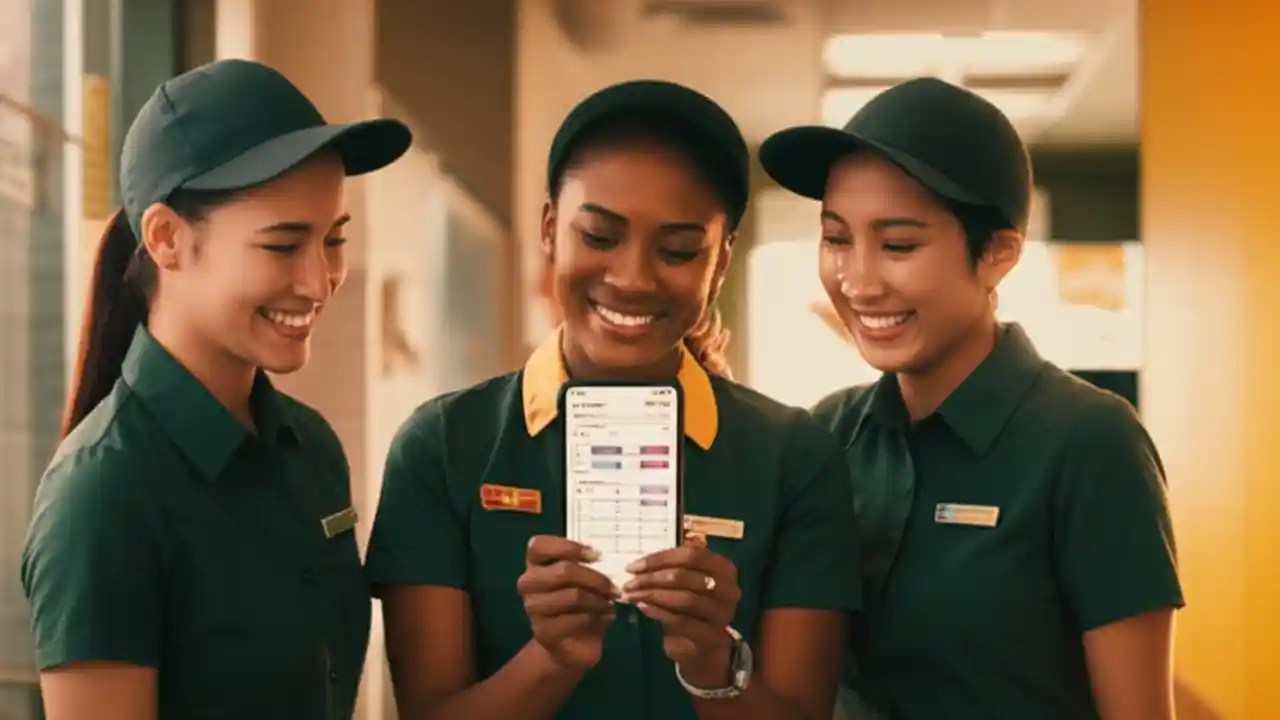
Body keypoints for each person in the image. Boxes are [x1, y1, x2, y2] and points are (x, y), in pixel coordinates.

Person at [364, 79, 861, 720]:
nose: (631, 278)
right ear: (550, 229)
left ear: (722, 261)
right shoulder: (443, 445)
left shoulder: (794, 458)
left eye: (679, 251)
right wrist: (551, 660)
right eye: (600, 237)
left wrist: (712, 661)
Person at [758, 77, 1185, 720]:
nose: (859, 281)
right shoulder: (826, 435)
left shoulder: (1090, 441)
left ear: (998, 254)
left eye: (899, 245)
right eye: (837, 238)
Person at [19, 58, 411, 720]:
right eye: (282, 246)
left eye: (333, 240)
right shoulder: (103, 495)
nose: (319, 283)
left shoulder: (311, 449)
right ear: (168, 239)